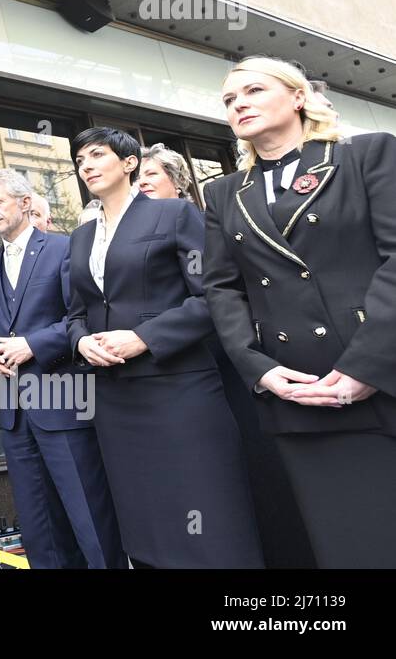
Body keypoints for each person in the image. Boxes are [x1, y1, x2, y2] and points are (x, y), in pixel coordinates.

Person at [204, 57, 396, 568]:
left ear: (297, 96)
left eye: (252, 90)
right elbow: (222, 290)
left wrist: (366, 365)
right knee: (348, 547)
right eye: (229, 100)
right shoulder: (224, 194)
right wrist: (261, 372)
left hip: (384, 378)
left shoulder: (366, 154)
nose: (238, 103)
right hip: (299, 394)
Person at [67, 128, 263, 568]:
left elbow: (215, 295)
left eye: (98, 155)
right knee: (145, 522)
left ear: (130, 163)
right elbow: (75, 312)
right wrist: (81, 341)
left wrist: (144, 337)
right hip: (115, 398)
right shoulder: (80, 239)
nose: (88, 166)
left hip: (179, 391)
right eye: (80, 161)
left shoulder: (173, 214)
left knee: (208, 513)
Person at [139, 138, 315, 568]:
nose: (140, 183)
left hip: (232, 361)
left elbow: (217, 295)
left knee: (255, 466)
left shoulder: (199, 220)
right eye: (136, 177)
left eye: (150, 176)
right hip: (183, 370)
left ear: (177, 183)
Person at [0, 169, 125, 569]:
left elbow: (84, 317)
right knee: (39, 527)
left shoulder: (63, 247)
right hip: (12, 408)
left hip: (63, 398)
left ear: (25, 203)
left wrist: (31, 346)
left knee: (88, 516)